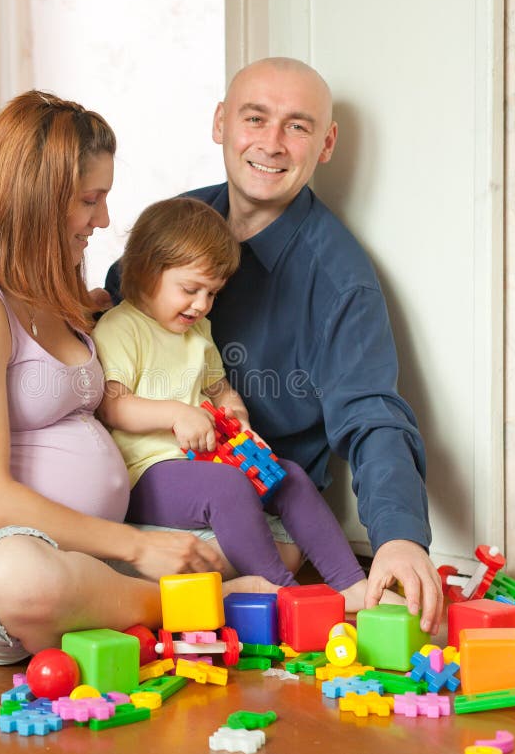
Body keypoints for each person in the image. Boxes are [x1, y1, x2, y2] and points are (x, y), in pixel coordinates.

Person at [0, 91, 274, 665]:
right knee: (25, 574)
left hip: (86, 554)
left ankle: (121, 603)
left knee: (273, 548)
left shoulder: (56, 297)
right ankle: (181, 606)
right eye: (90, 200)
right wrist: (139, 545)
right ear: (35, 202)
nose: (104, 219)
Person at [105, 58, 443, 634]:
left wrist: (400, 537)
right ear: (220, 123)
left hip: (258, 508)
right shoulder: (180, 222)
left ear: (327, 142)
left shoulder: (339, 279)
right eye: (255, 118)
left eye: (298, 126)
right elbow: (113, 320)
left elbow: (372, 415)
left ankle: (317, 598)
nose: (272, 143)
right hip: (150, 480)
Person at [93, 196, 403, 612]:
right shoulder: (122, 327)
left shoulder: (196, 330)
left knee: (288, 476)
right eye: (190, 289)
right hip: (146, 472)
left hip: (205, 459)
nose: (201, 304)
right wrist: (176, 414)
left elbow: (219, 389)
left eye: (212, 294)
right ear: (148, 270)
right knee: (228, 488)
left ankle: (351, 585)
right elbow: (112, 407)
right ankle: (283, 592)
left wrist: (237, 419)